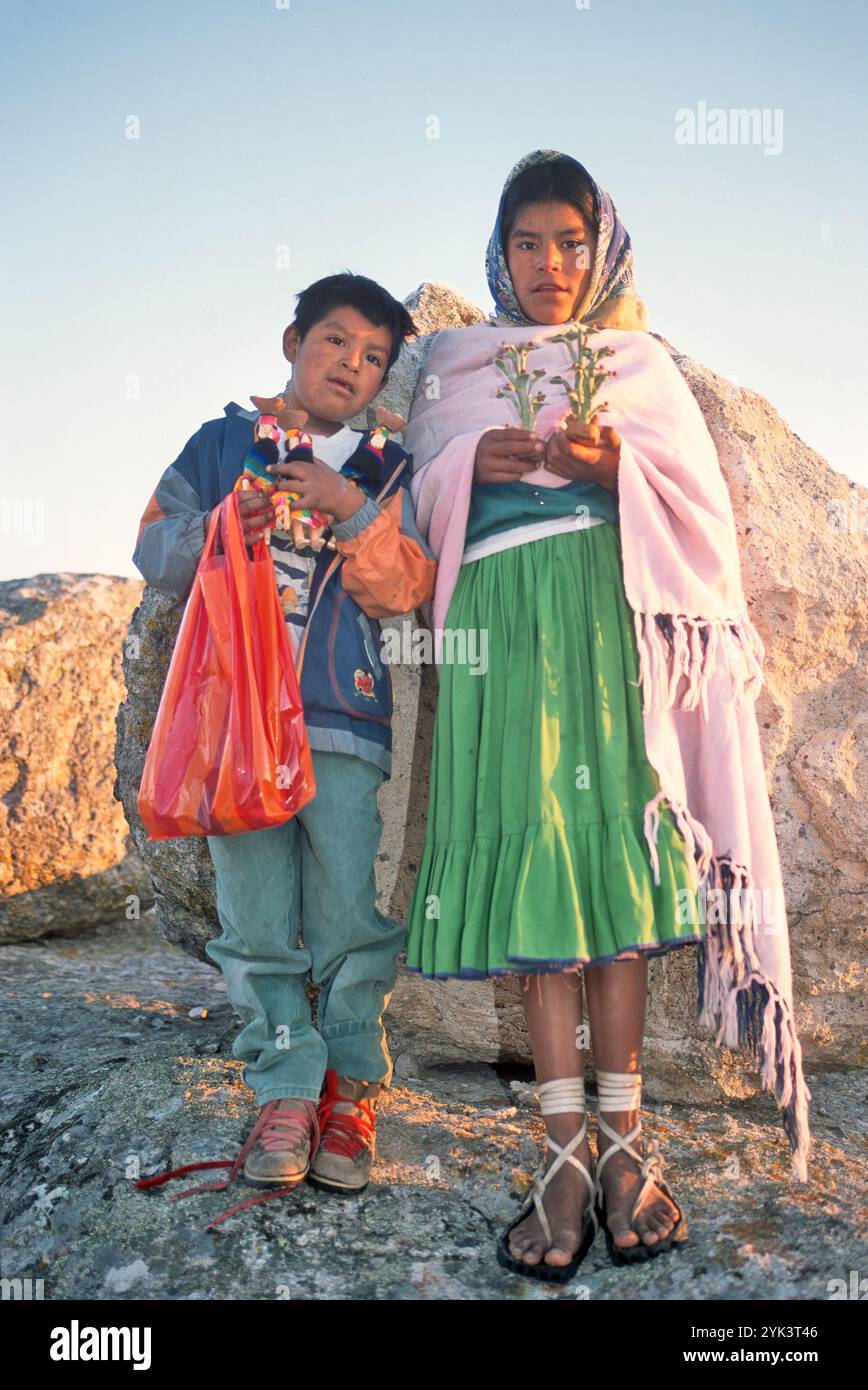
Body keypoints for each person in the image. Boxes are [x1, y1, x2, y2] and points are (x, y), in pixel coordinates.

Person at [402, 150, 810, 1283]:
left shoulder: (641, 367)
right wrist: (469, 463)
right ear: (499, 252)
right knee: (540, 863)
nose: (548, 264)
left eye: (570, 241)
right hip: (500, 628)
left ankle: (624, 1140)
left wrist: (615, 462)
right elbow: (417, 487)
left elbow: (697, 511)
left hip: (608, 620)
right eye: (527, 242)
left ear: (604, 248)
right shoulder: (453, 365)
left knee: (617, 861)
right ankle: (561, 1151)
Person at [132, 272, 436, 1228]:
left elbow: (406, 586)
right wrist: (226, 525)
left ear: (385, 378)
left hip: (342, 719)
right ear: (292, 341)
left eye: (373, 355)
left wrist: (351, 507)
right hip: (233, 725)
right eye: (334, 340)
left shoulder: (391, 470)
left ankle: (350, 1085)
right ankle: (284, 1084)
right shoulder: (222, 443)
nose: (351, 364)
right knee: (255, 912)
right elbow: (154, 547)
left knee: (350, 904)